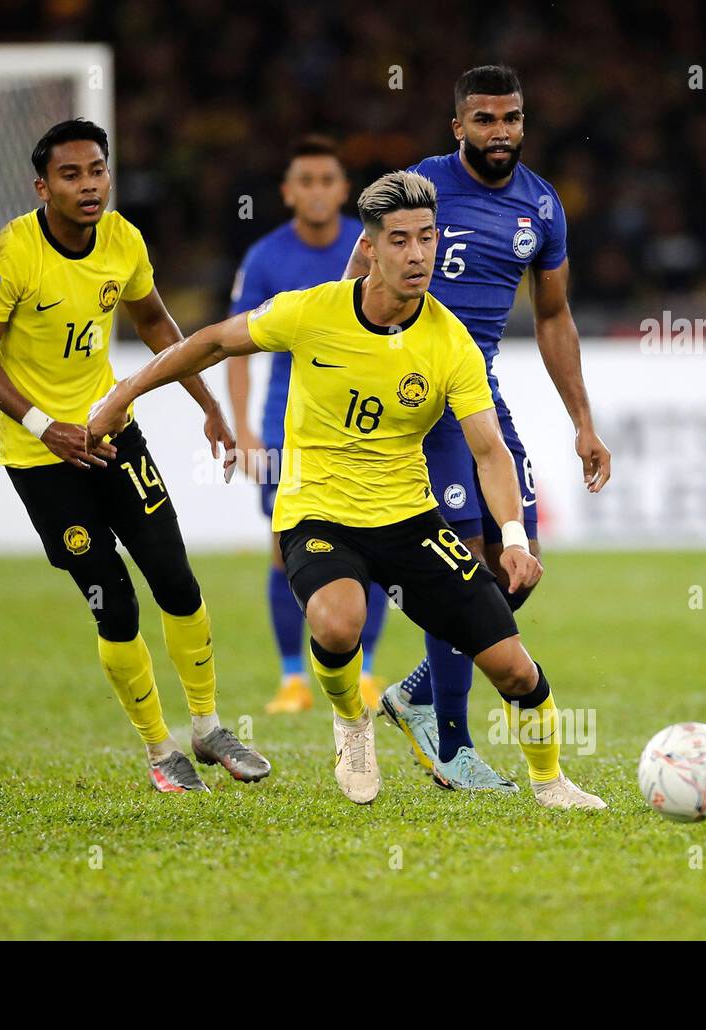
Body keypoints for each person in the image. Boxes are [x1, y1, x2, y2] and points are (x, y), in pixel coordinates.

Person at [89, 170, 606, 810]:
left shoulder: (449, 341)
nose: (417, 255)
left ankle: (551, 781)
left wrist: (514, 536)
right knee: (339, 624)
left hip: (410, 520)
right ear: (370, 247)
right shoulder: (313, 312)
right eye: (399, 241)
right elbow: (213, 342)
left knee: (513, 668)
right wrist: (122, 395)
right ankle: (353, 722)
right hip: (318, 514)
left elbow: (489, 450)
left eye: (426, 238)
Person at [0, 118, 270, 794]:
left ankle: (208, 726)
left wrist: (208, 404)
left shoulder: (123, 238)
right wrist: (43, 425)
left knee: (176, 579)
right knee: (115, 603)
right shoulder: (10, 254)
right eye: (71, 175)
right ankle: (161, 750)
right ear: (43, 187)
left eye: (97, 170)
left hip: (112, 435)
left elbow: (156, 323)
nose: (89, 184)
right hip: (42, 459)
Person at [344, 65, 612, 792]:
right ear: (457, 126)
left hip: (476, 395)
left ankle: (418, 693)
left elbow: (553, 317)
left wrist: (582, 422)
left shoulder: (543, 208)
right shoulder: (420, 190)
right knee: (458, 559)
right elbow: (351, 290)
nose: (501, 133)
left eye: (512, 119)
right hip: (410, 396)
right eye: (485, 120)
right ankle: (452, 746)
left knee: (513, 564)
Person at [227, 135, 389, 715]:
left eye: (328, 180)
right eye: (307, 181)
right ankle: (293, 678)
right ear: (289, 192)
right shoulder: (266, 258)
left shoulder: (372, 246)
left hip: (364, 428)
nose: (318, 191)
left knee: (374, 547)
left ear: (345, 190)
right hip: (285, 432)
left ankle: (365, 672)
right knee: (282, 550)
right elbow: (239, 347)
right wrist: (244, 430)